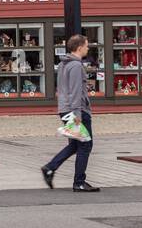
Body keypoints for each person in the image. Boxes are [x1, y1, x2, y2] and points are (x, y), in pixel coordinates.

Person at [42, 34, 100, 192]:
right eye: (87, 45)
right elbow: (75, 91)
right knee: (86, 145)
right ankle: (79, 182)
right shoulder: (75, 66)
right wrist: (78, 116)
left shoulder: (63, 64)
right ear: (79, 47)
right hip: (76, 111)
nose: (88, 48)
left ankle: (50, 168)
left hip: (65, 109)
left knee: (76, 145)